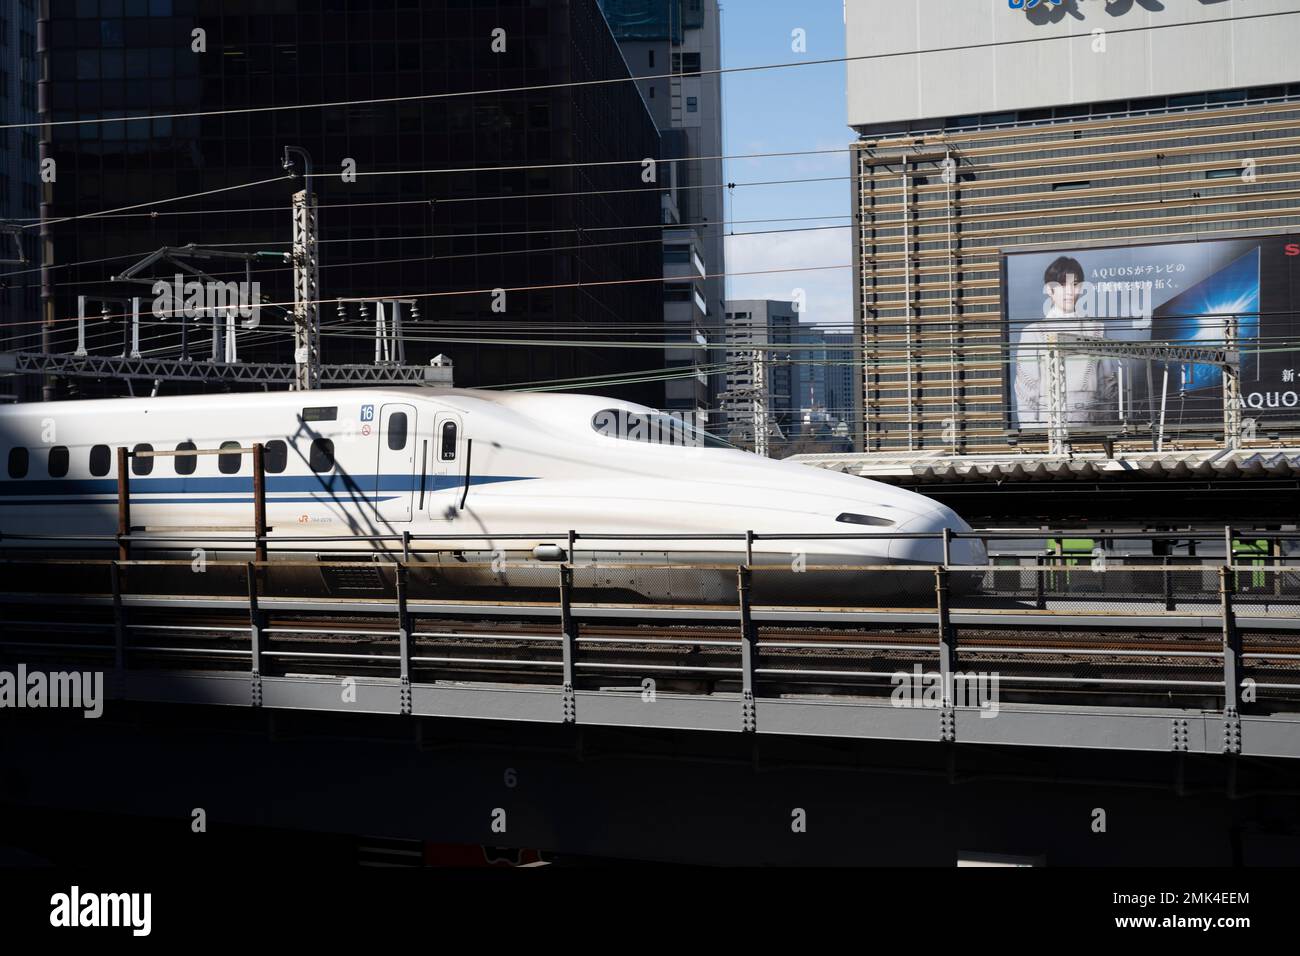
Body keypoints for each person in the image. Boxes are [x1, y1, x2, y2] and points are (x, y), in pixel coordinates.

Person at [1013, 255, 1119, 429]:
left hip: (1091, 425)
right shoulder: (1034, 332)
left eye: (1075, 284)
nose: (1070, 291)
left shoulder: (1096, 328)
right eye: (1062, 285)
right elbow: (1026, 390)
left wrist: (1107, 429)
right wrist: (1032, 433)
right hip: (1048, 428)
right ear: (1049, 289)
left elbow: (1107, 384)